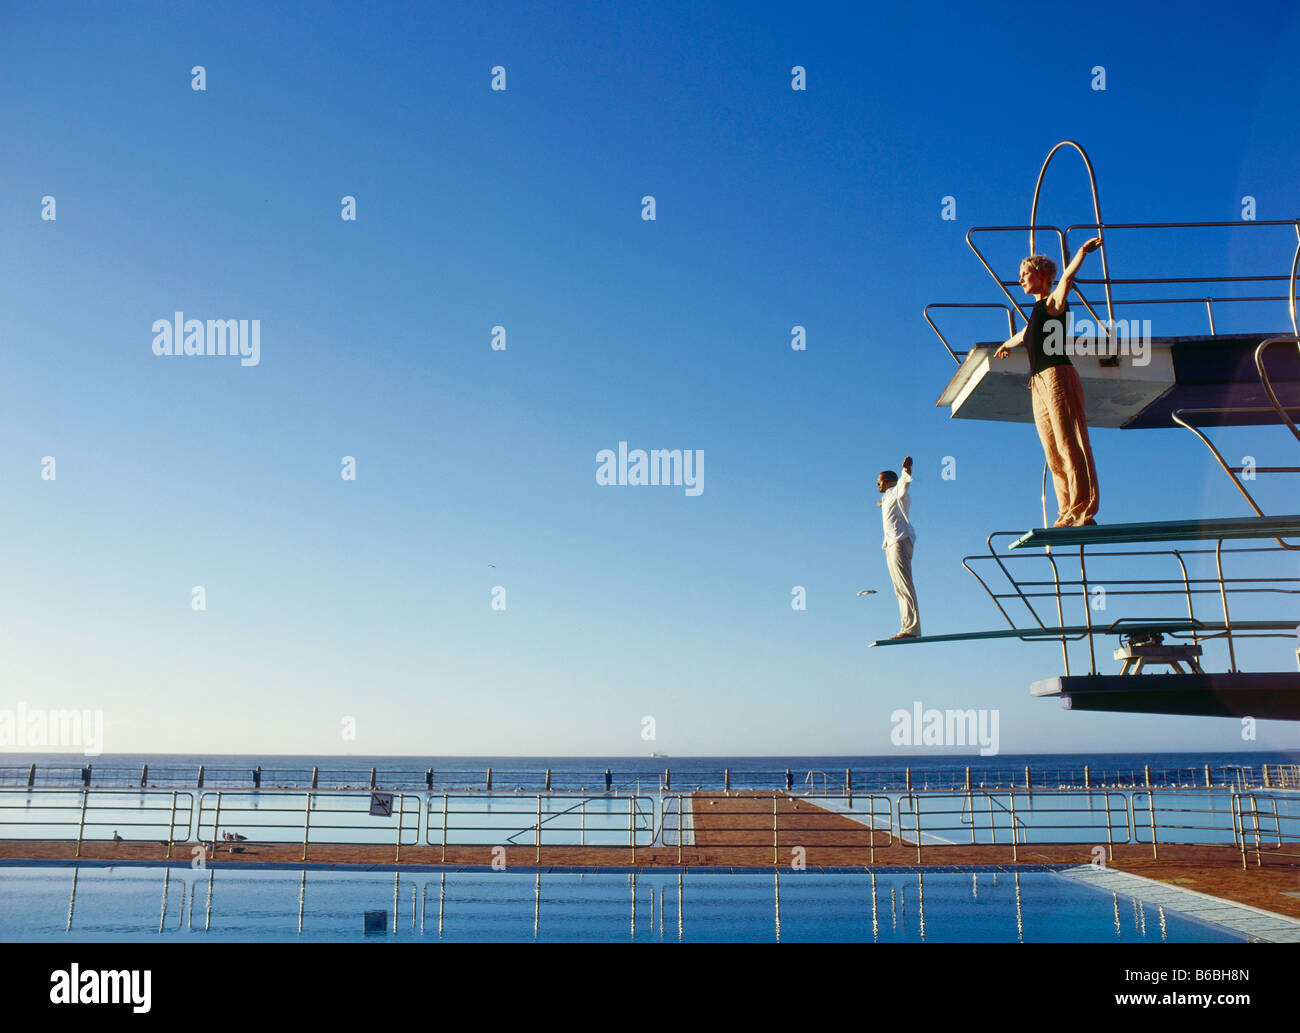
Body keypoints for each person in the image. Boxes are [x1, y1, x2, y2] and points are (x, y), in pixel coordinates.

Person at [995, 239, 1103, 527]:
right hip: (1038, 383)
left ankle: (1083, 509)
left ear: (1042, 275)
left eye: (1025, 274)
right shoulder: (1036, 313)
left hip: (1058, 376)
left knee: (1070, 442)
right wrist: (1006, 344)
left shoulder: (1054, 302)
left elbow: (1067, 278)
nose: (1020, 280)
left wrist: (1080, 253)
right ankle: (1065, 510)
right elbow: (1023, 336)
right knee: (1052, 449)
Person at [877, 456, 919, 639]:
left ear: (887, 482)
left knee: (905, 586)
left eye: (878, 481)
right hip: (892, 544)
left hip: (900, 541)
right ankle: (906, 627)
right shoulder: (887, 497)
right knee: (899, 588)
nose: (876, 484)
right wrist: (881, 504)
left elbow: (903, 487)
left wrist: (906, 471)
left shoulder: (896, 492)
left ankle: (912, 630)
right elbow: (887, 502)